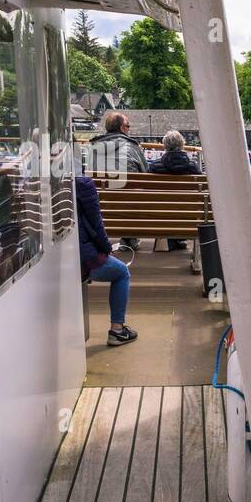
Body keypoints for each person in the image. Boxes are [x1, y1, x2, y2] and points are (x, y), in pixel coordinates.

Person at [76, 170, 138, 346]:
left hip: (53, 259)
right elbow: (96, 223)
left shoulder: (35, 180)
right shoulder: (82, 184)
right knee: (121, 272)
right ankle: (117, 330)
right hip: (82, 256)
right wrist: (106, 248)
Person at [88, 112, 145, 249]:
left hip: (102, 206)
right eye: (127, 125)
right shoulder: (132, 147)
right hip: (131, 206)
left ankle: (127, 239)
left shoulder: (93, 147)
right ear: (121, 128)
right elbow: (145, 172)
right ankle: (129, 238)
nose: (129, 128)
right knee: (131, 194)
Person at [148, 130, 197, 251]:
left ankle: (171, 239)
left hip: (161, 212)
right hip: (186, 213)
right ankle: (180, 237)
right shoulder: (192, 167)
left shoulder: (155, 167)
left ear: (165, 146)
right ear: (182, 145)